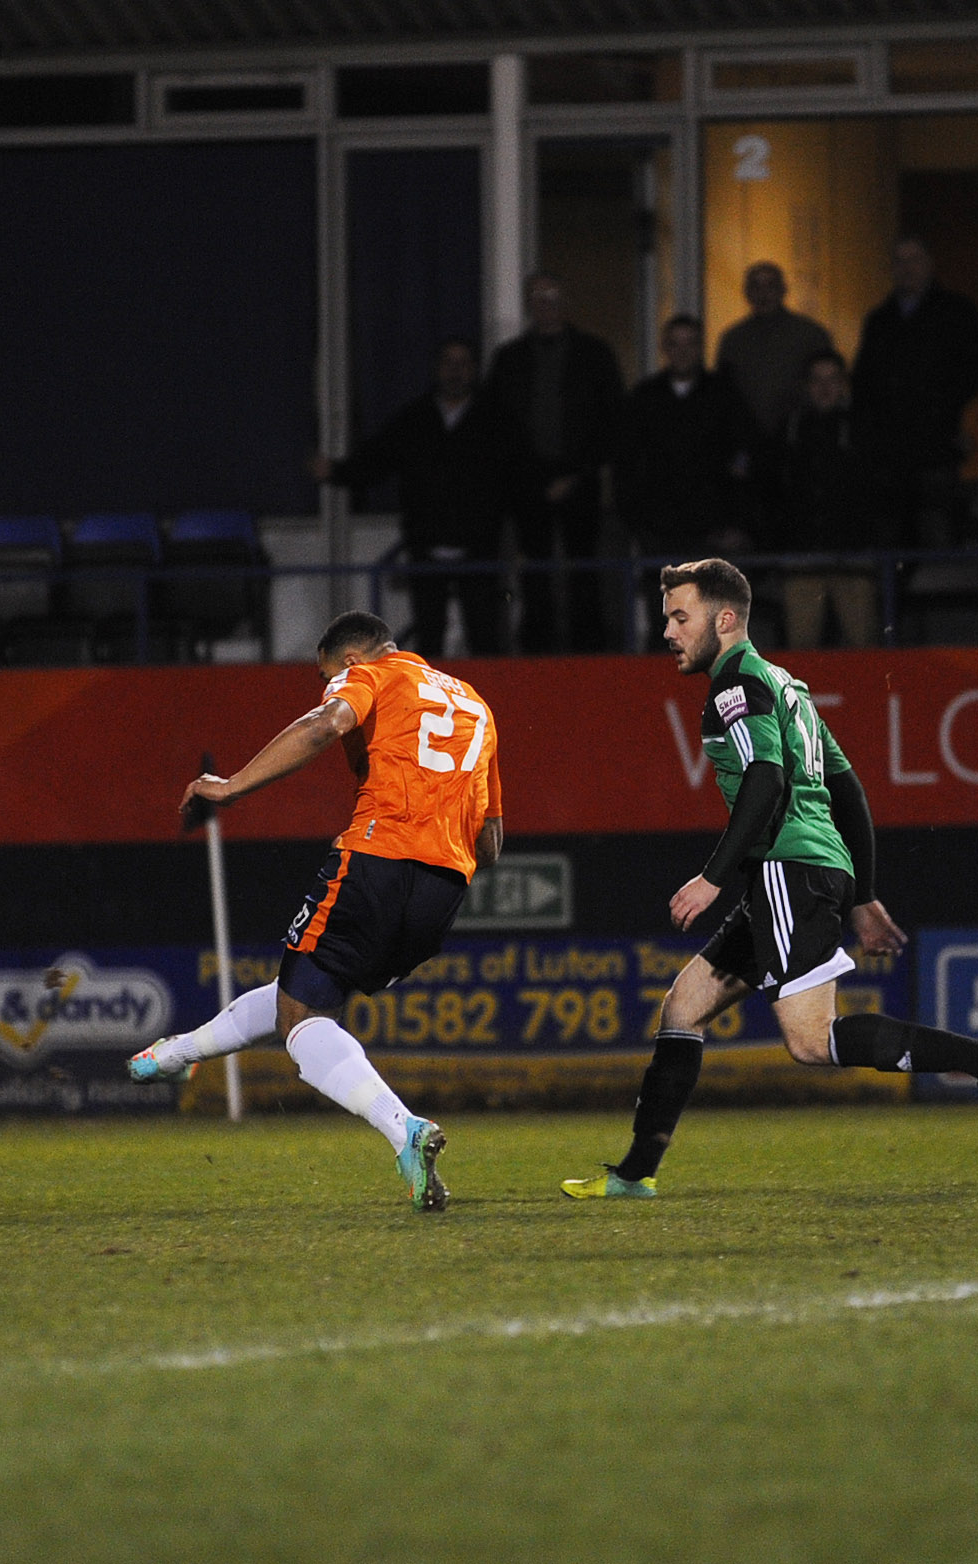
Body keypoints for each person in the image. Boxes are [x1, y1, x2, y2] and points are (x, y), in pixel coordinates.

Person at [562, 559, 978, 1199]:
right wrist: (861, 894)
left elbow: (766, 780)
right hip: (803, 870)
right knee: (684, 1006)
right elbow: (849, 790)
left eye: (679, 616)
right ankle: (634, 1175)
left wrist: (712, 878)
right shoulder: (788, 686)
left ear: (724, 620)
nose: (666, 631)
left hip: (788, 870)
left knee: (812, 1042)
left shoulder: (736, 686)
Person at [126, 610, 502, 1212]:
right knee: (303, 998)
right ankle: (179, 1053)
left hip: (377, 857)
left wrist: (230, 785)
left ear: (350, 662)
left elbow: (327, 724)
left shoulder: (374, 676)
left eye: (328, 675)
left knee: (300, 1016)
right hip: (444, 890)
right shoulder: (477, 708)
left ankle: (402, 1128)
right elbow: (491, 842)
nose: (329, 684)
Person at [311, 338, 523, 658]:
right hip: (426, 542)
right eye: (449, 364)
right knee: (429, 638)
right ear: (437, 369)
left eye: (463, 364)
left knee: (485, 638)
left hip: (480, 545)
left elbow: (520, 473)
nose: (456, 372)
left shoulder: (495, 421)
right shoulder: (415, 419)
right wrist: (337, 471)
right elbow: (377, 459)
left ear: (475, 370)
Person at [486, 272, 626, 653]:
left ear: (564, 303)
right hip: (528, 483)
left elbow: (610, 421)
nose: (544, 306)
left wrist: (578, 472)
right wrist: (530, 477)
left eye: (551, 297)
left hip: (581, 478)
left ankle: (588, 650)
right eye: (537, 298)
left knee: (584, 568)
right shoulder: (509, 360)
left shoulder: (594, 355)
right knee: (534, 571)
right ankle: (538, 649)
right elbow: (500, 426)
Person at [850, 236, 978, 549]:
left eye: (913, 259)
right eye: (899, 261)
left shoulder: (956, 312)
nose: (906, 268)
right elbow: (863, 382)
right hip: (888, 452)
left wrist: (940, 408)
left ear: (929, 264)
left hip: (935, 444)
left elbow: (976, 371)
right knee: (890, 538)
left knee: (936, 535)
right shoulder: (879, 320)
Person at [615, 314, 758, 558]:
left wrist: (736, 521)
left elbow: (745, 453)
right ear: (665, 348)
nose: (682, 351)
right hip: (659, 528)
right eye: (675, 344)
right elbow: (627, 461)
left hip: (713, 528)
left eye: (690, 343)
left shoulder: (724, 396)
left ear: (700, 348)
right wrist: (636, 521)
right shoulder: (644, 397)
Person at [779, 350, 881, 648]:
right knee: (802, 650)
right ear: (806, 386)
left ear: (843, 384)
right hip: (803, 556)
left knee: (864, 649)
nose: (824, 388)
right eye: (817, 380)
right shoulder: (789, 430)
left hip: (854, 555)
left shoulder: (863, 428)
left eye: (832, 380)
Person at [716, 261, 836, 441]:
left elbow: (828, 386)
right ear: (747, 292)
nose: (763, 293)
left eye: (770, 285)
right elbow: (725, 394)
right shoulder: (733, 341)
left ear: (783, 290)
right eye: (756, 286)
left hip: (801, 436)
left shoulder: (810, 335)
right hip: (747, 439)